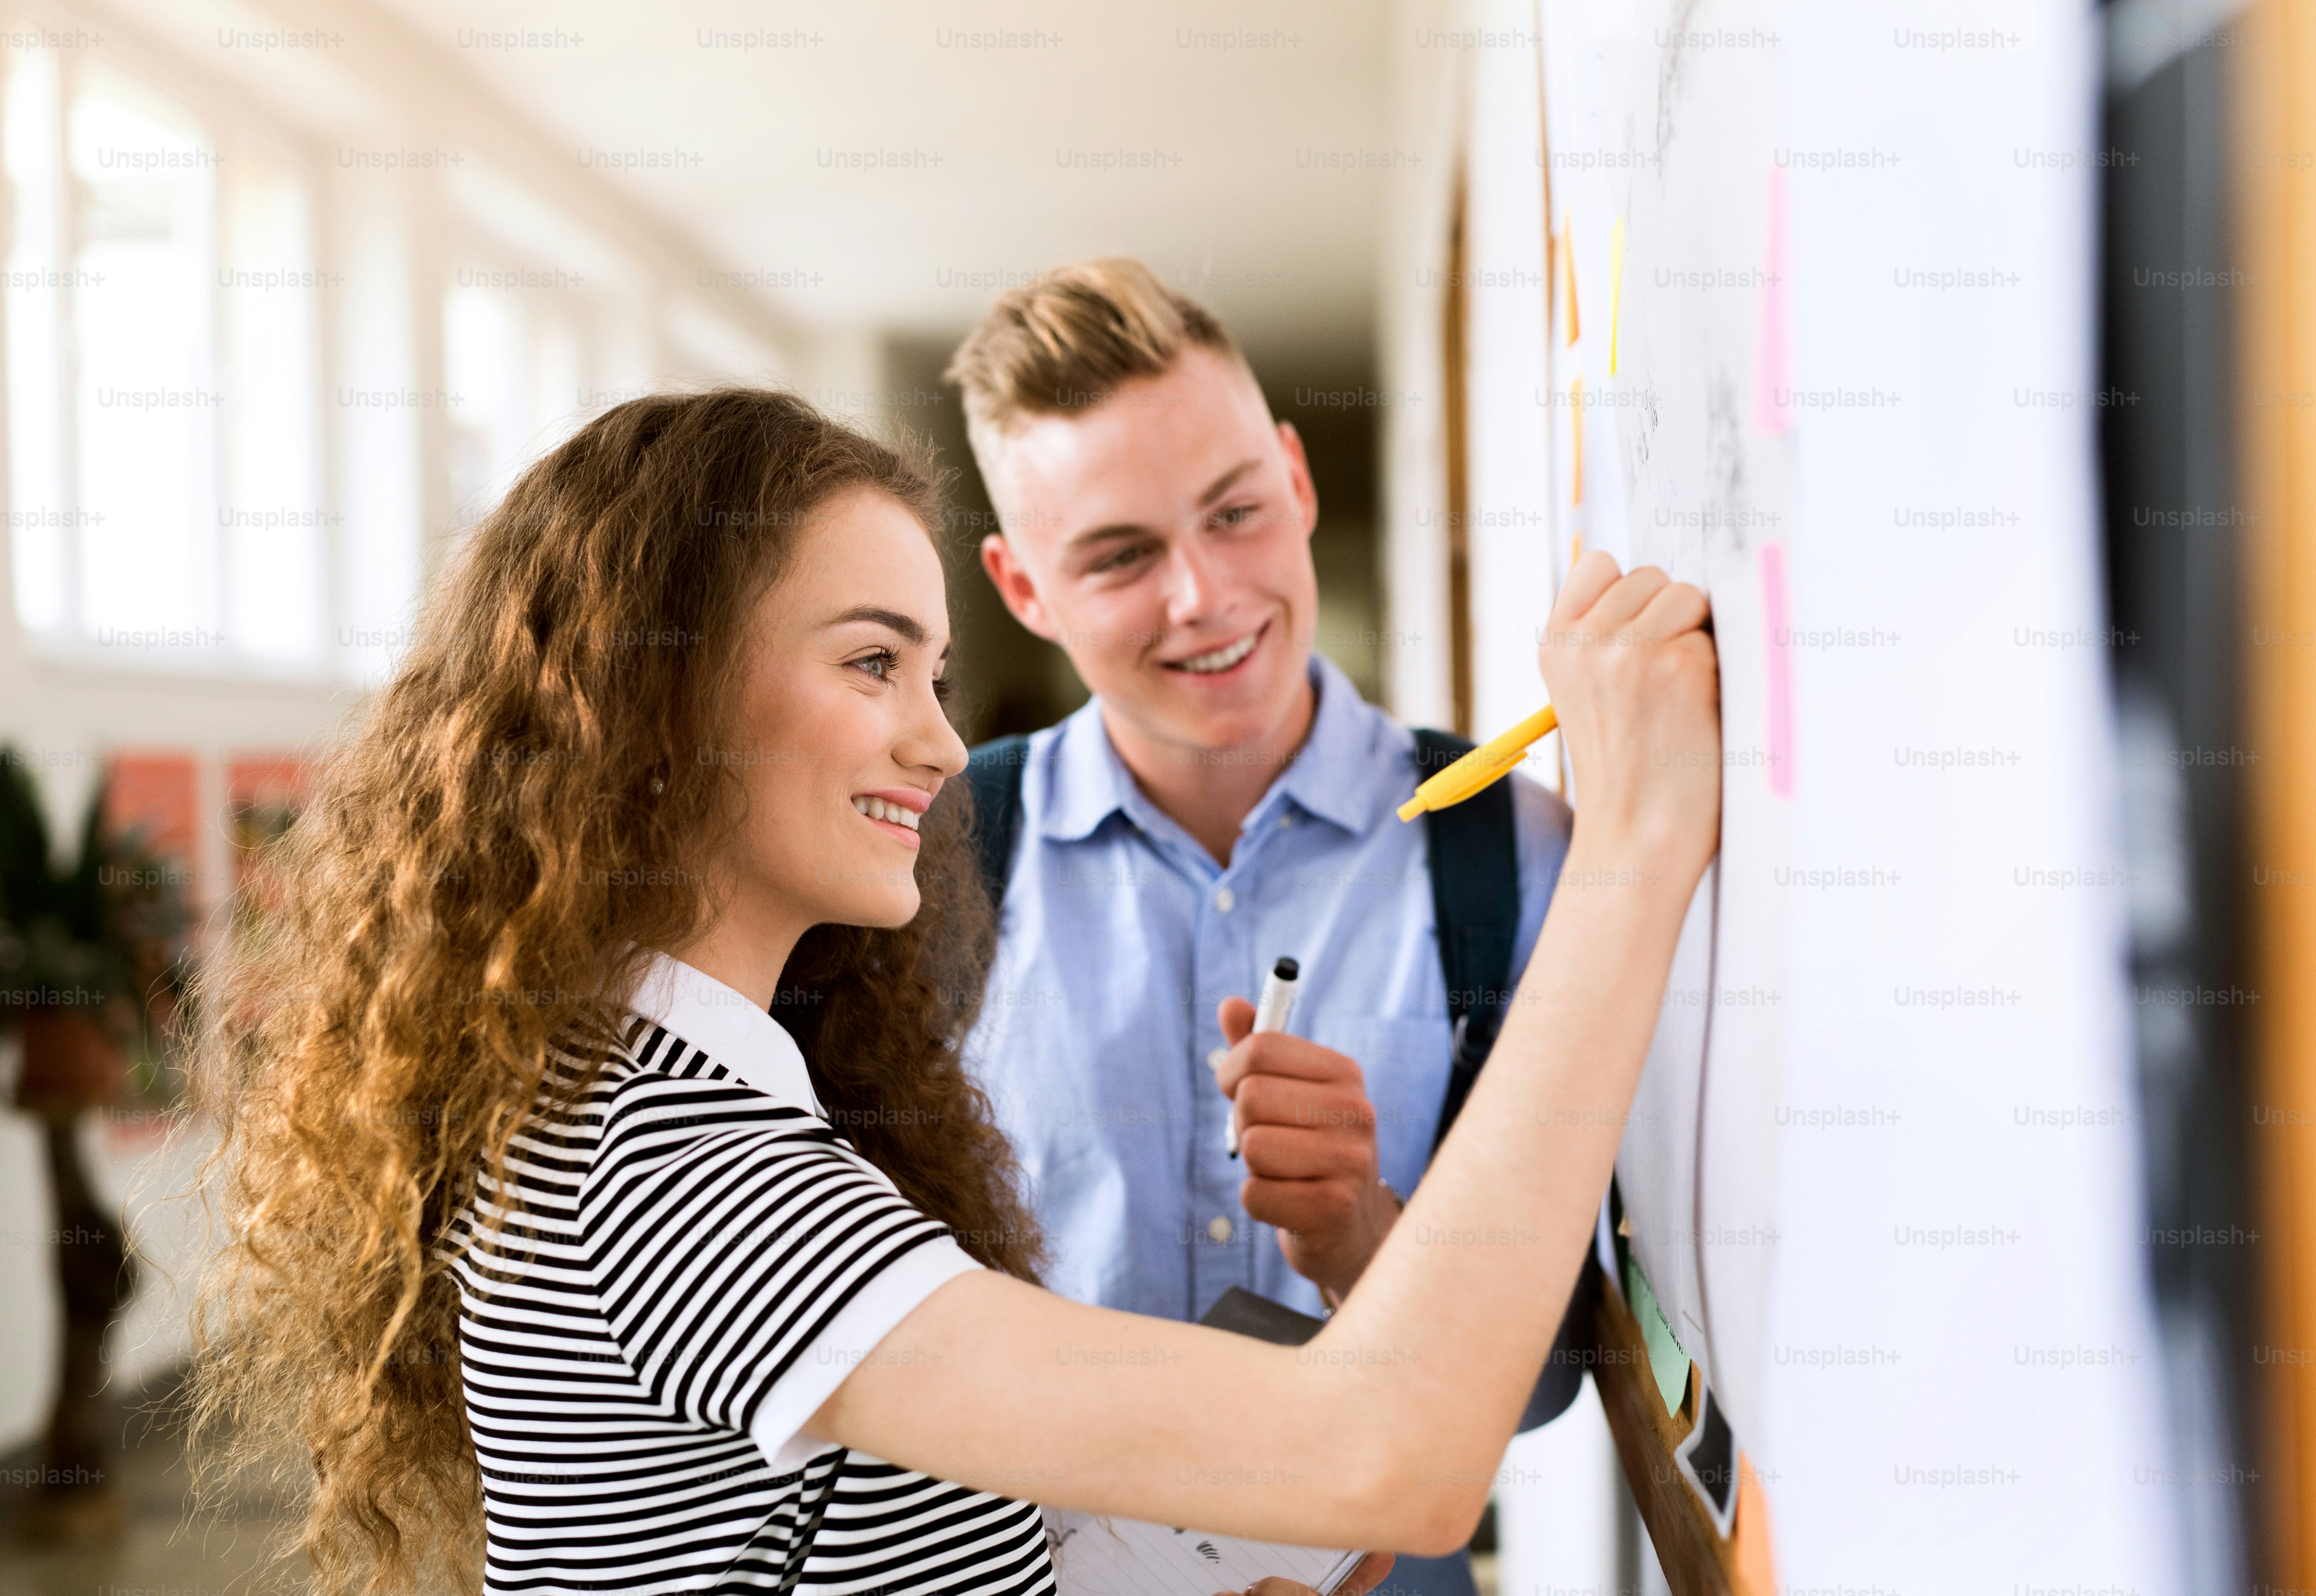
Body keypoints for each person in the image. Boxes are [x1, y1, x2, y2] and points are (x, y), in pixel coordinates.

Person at [187, 388, 1717, 1596]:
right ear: (651, 697)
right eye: (870, 666)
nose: (933, 744)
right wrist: (1636, 848)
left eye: (932, 675)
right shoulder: (660, 1176)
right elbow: (1396, 1457)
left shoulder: (674, 1102)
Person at [944, 261, 1575, 1596]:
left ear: (1296, 480)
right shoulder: (932, 871)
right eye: (1119, 556)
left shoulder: (1513, 859)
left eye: (1234, 513)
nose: (1203, 596)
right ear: (1022, 590)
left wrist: (1368, 1240)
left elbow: (1552, 1374)